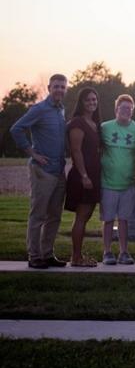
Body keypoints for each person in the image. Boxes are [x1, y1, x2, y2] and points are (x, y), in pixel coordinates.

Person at [10, 74, 69, 269]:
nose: (60, 89)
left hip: (59, 170)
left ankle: (47, 254)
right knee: (38, 215)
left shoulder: (61, 110)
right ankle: (34, 256)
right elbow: (16, 129)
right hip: (42, 170)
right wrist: (32, 153)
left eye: (63, 87)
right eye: (56, 86)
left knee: (55, 216)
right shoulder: (40, 109)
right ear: (49, 88)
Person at [63, 87, 102, 267]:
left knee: (85, 217)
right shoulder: (78, 123)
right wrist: (84, 175)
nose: (91, 103)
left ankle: (78, 256)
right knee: (81, 216)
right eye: (88, 100)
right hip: (82, 176)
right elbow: (76, 150)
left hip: (93, 175)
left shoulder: (94, 123)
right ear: (81, 102)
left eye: (94, 99)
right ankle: (76, 258)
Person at [99, 94, 135, 265]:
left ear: (132, 111)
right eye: (123, 108)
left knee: (124, 219)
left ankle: (123, 252)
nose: (126, 111)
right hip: (108, 182)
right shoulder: (105, 128)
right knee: (108, 219)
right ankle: (107, 252)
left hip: (128, 183)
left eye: (129, 109)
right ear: (116, 110)